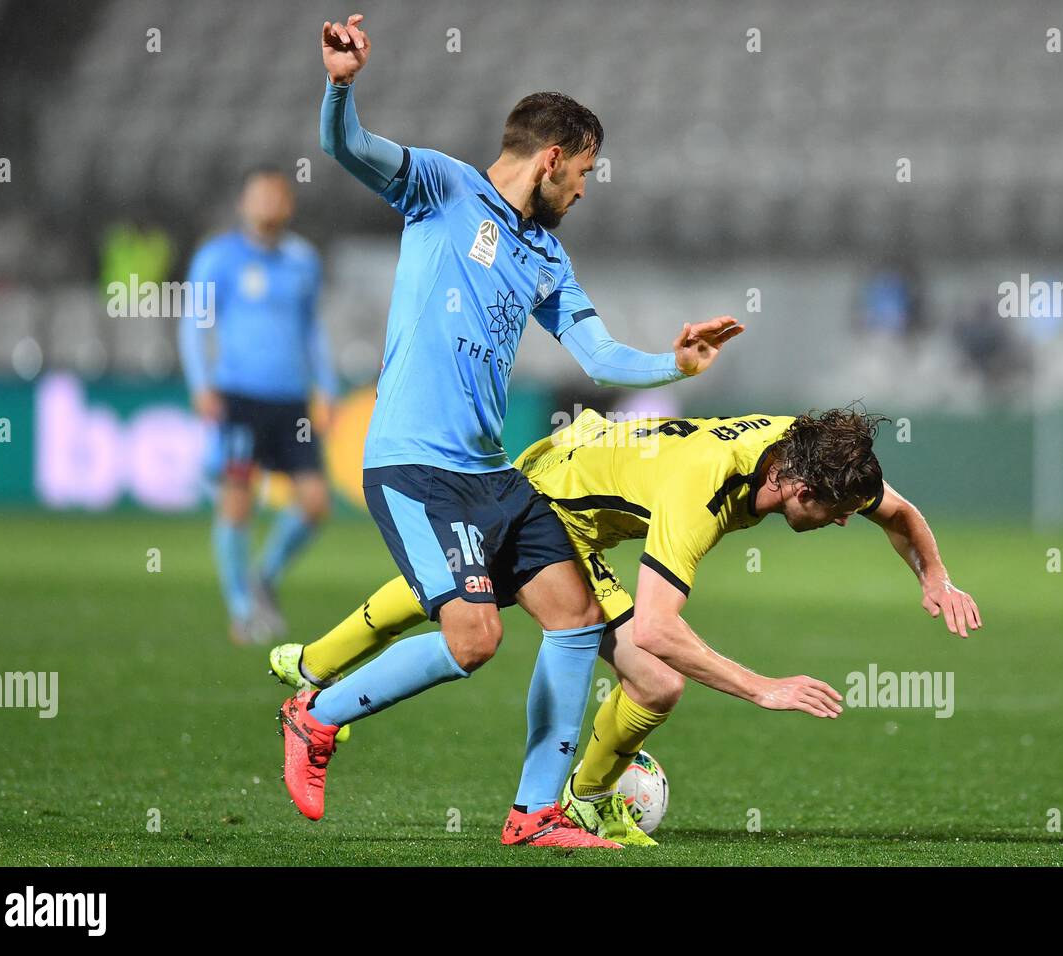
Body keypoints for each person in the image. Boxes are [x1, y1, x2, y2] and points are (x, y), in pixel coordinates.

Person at [276, 14, 743, 849]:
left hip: (493, 475)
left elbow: (596, 352)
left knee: (570, 619)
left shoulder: (545, 256)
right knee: (476, 637)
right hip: (415, 467)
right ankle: (316, 712)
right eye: (586, 173)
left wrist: (676, 362)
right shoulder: (444, 188)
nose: (585, 191)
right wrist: (341, 85)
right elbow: (350, 149)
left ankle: (534, 814)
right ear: (553, 158)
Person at [273, 406, 983, 845]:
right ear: (795, 488)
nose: (841, 523)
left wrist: (935, 577)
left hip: (579, 473)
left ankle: (311, 671)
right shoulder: (700, 493)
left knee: (459, 599)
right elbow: (658, 629)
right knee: (654, 678)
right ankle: (577, 801)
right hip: (554, 510)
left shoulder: (805, 447)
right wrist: (763, 687)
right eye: (834, 514)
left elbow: (900, 511)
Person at [179, 167, 339, 645]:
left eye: (277, 195)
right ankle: (242, 609)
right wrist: (201, 382)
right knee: (237, 498)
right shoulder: (219, 257)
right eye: (260, 195)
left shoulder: (303, 260)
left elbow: (313, 329)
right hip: (240, 397)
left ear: (289, 204)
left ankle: (262, 578)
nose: (269, 203)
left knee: (314, 503)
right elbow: (193, 323)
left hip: (291, 399)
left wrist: (326, 388)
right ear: (243, 204)